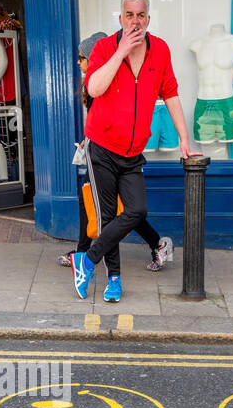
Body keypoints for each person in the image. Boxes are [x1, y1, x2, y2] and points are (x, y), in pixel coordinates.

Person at [72, 0, 198, 304]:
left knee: (137, 210)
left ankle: (86, 261)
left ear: (148, 19)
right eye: (129, 15)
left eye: (140, 15)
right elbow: (93, 87)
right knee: (107, 217)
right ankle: (113, 280)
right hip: (101, 147)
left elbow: (170, 94)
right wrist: (121, 52)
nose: (135, 21)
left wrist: (184, 139)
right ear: (121, 18)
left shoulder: (160, 51)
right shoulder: (103, 48)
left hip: (131, 154)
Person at [62, 31, 173, 274]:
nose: (78, 62)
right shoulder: (96, 80)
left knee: (118, 208)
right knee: (105, 203)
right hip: (100, 150)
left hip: (114, 154)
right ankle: (155, 244)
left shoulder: (108, 79)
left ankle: (87, 254)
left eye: (81, 57)